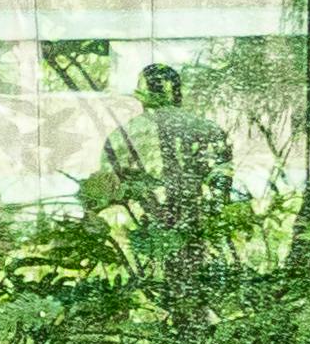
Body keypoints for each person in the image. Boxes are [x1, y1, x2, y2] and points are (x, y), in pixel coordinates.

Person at [91, 62, 235, 233]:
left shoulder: (123, 135)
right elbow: (222, 174)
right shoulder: (207, 129)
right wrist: (213, 208)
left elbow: (108, 187)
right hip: (192, 224)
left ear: (141, 96)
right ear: (177, 94)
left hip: (146, 226)